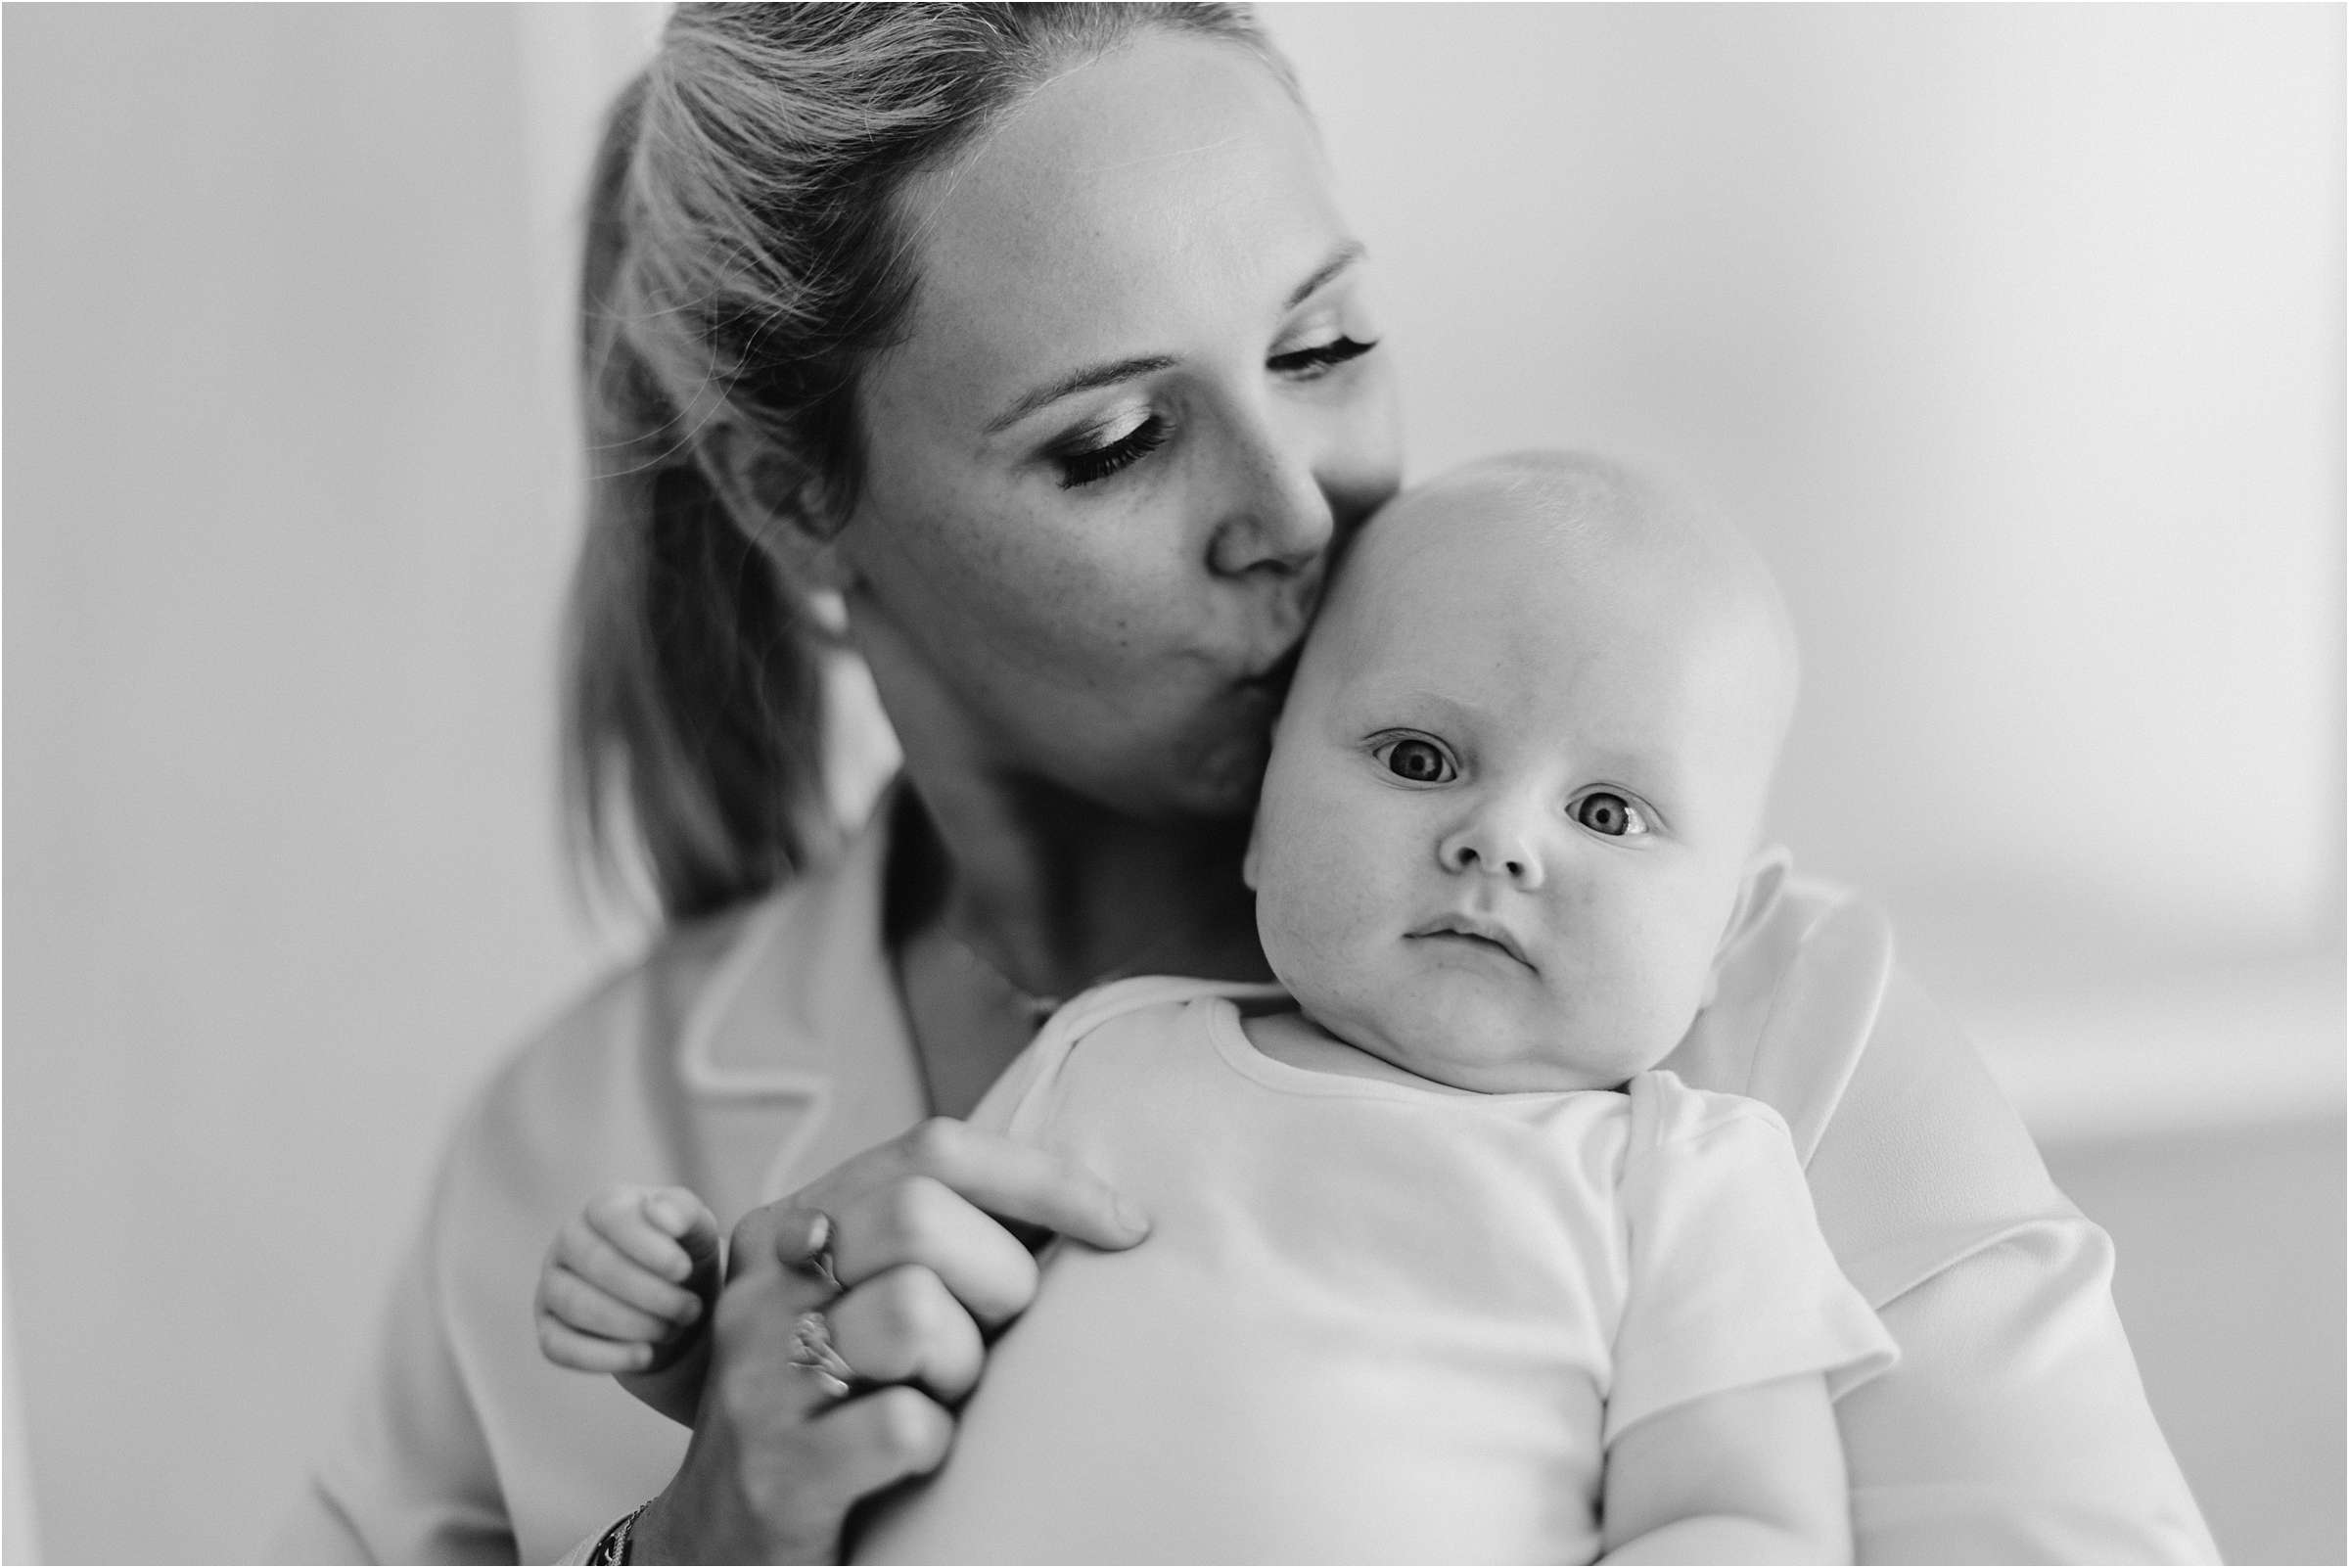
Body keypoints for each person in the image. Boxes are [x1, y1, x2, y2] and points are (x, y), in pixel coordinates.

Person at [272, 6, 2216, 1563]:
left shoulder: (1769, 1034)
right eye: (1116, 441)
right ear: (800, 499)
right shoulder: (575, 1148)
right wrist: (689, 1551)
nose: (1296, 509)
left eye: (1326, 344)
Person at [538, 450, 1905, 1563]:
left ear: (1724, 926)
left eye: (1607, 809)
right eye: (1419, 756)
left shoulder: (1679, 1178)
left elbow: (1745, 1515)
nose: (1501, 840)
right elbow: (884, 1345)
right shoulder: (1109, 1044)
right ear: (1261, 817)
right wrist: (697, 1351)